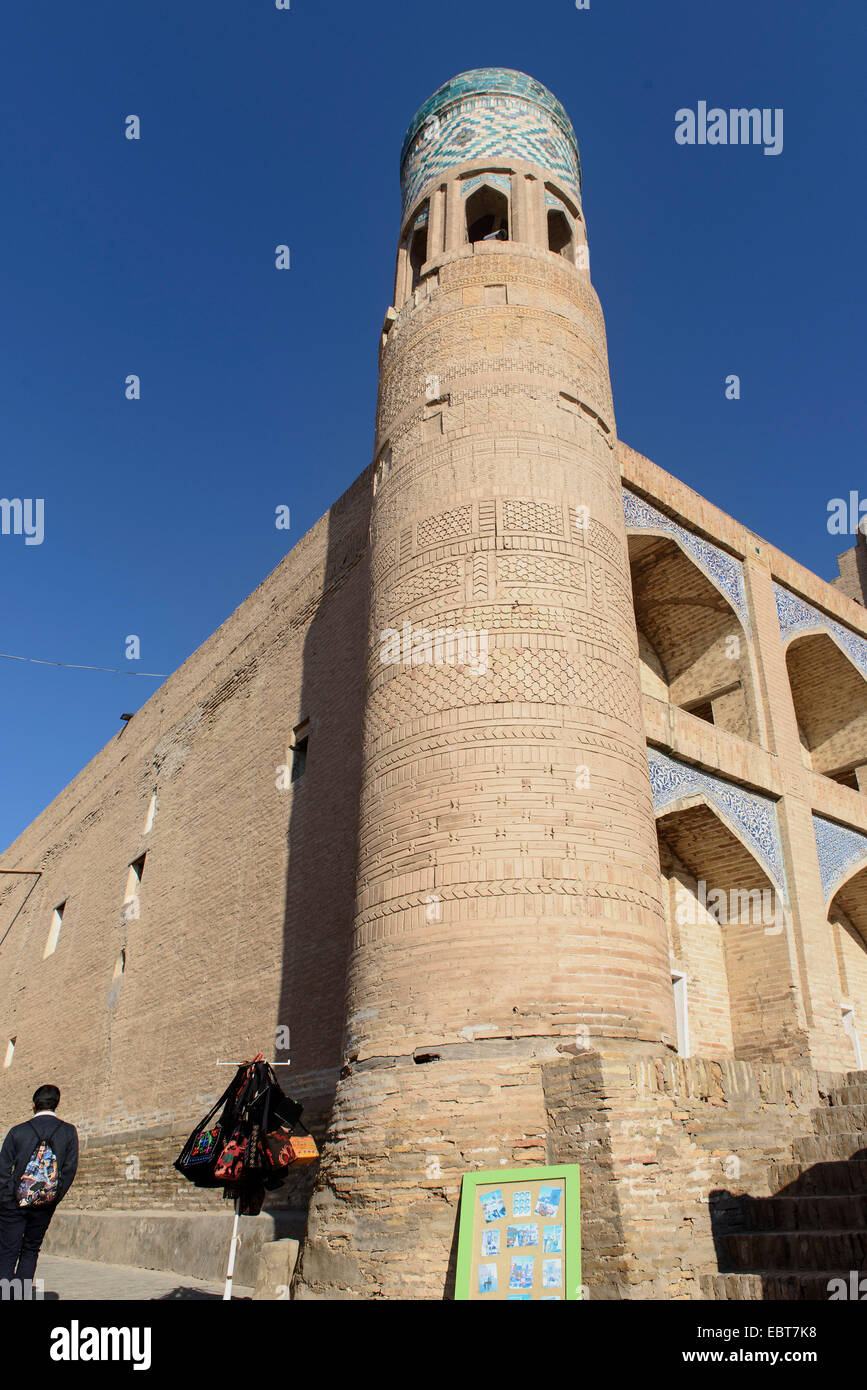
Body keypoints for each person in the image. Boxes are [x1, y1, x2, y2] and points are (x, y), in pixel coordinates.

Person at [0, 1084, 79, 1285]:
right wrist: (53, 1197)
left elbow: (3, 1168)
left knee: (8, 1252)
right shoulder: (68, 1132)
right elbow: (69, 1170)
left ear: (34, 1105)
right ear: (56, 1104)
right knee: (30, 1250)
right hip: (45, 1202)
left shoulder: (18, 1131)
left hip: (13, 1203)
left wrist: (7, 1197)